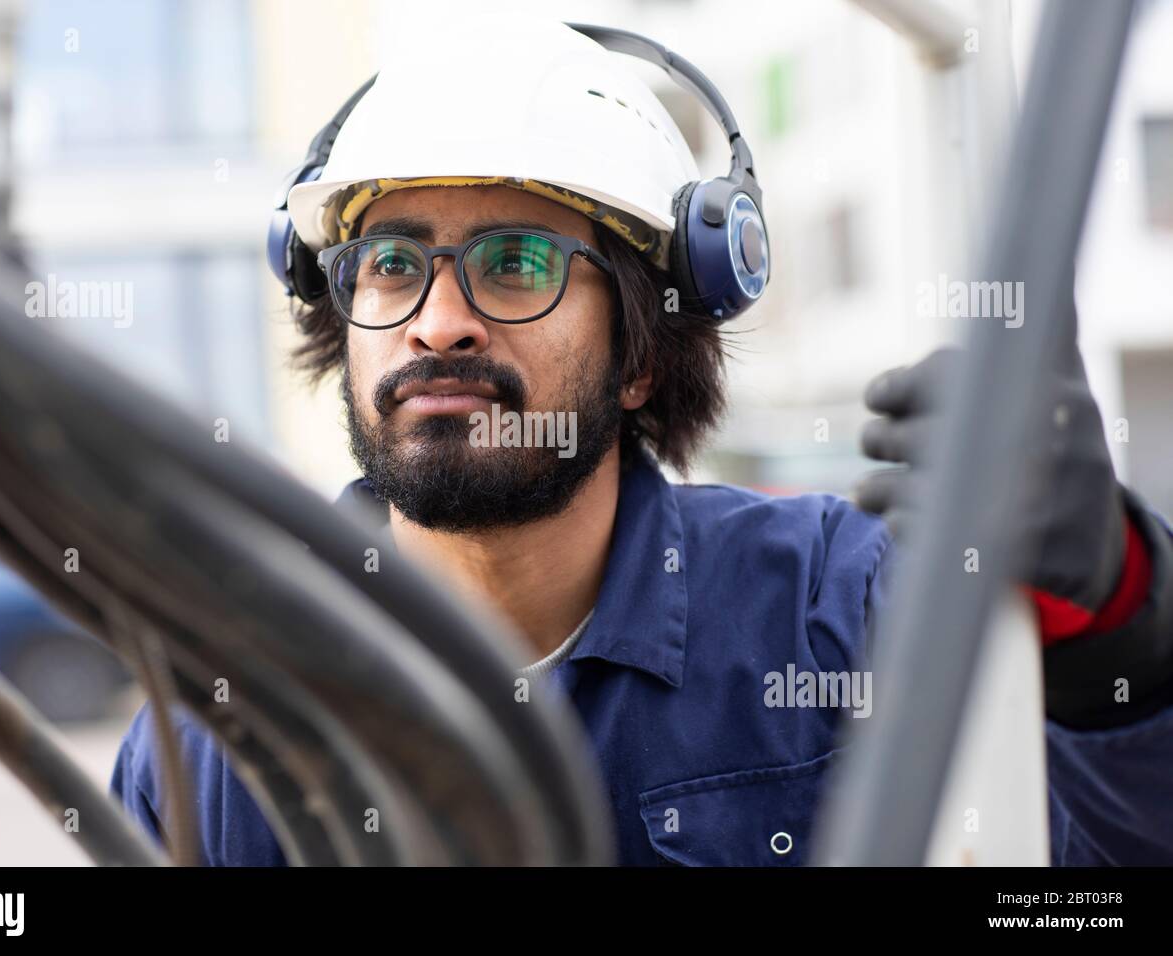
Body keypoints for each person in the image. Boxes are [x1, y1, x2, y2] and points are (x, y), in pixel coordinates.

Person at [112, 18, 1173, 866]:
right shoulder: (216, 722)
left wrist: (1117, 619)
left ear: (640, 356)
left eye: (516, 263)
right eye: (391, 263)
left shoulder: (832, 613)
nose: (437, 321)